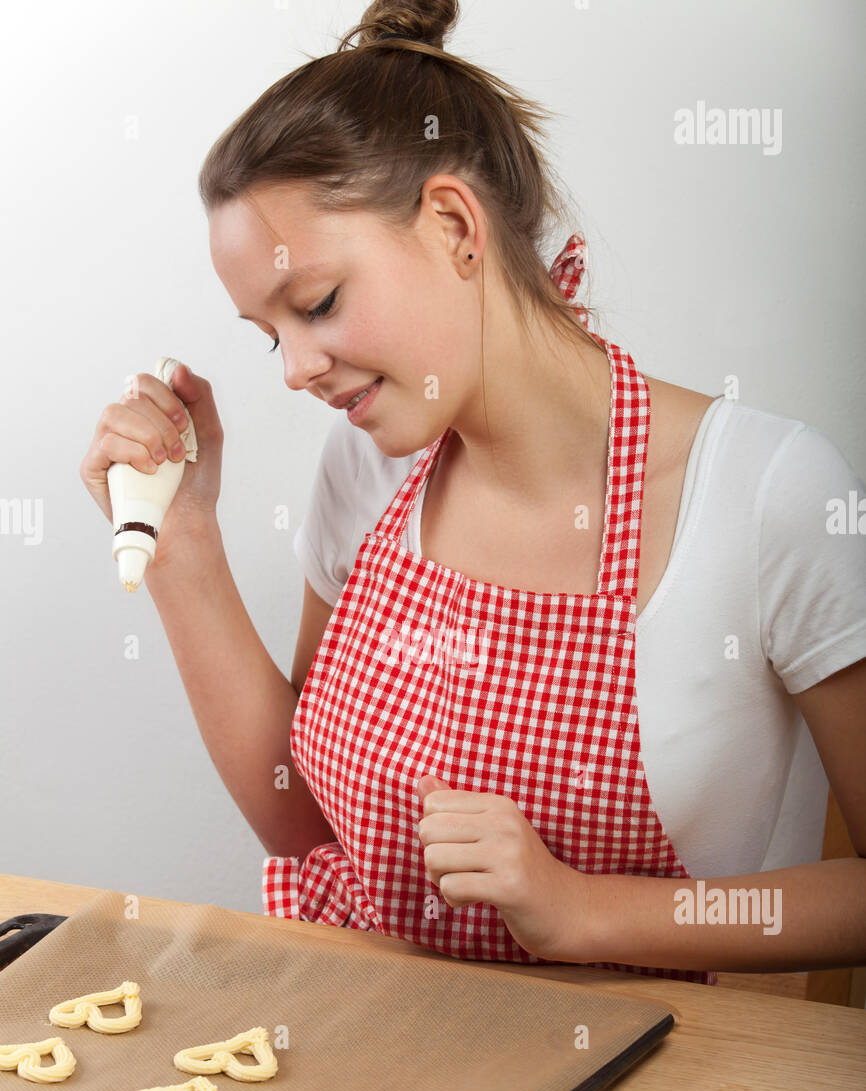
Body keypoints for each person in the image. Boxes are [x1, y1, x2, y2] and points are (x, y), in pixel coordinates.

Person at [80, 0, 866, 982]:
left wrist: (580, 911)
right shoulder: (368, 467)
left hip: (649, 1090)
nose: (293, 369)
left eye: (317, 304)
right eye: (267, 333)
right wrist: (181, 537)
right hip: (362, 1041)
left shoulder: (763, 494)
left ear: (455, 226)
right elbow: (300, 821)